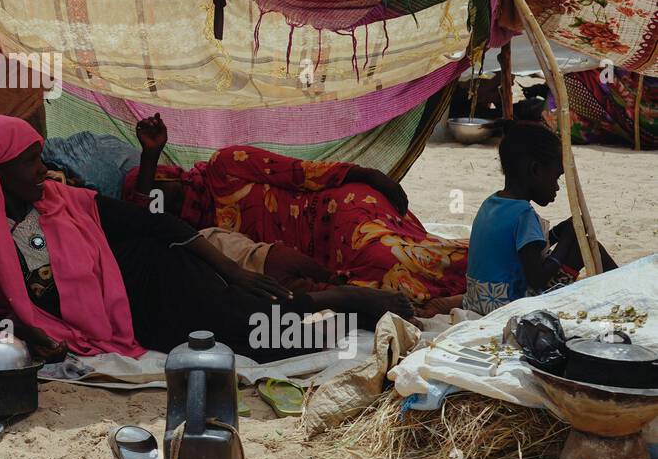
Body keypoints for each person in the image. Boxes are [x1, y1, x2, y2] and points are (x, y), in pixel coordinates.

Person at [0, 116, 412, 362]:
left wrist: (229, 269)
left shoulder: (61, 200)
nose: (40, 169)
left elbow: (154, 222)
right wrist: (31, 333)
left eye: (37, 157)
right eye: (27, 162)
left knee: (254, 334)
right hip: (135, 319)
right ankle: (343, 312)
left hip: (155, 275)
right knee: (243, 338)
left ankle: (346, 302)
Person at [124, 115, 468, 310]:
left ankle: (492, 267)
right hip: (320, 254)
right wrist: (149, 158)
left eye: (158, 186)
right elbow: (144, 223)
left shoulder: (225, 166)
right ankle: (477, 287)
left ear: (170, 175)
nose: (159, 197)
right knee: (378, 283)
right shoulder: (202, 243)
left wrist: (369, 175)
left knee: (388, 257)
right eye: (151, 199)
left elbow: (302, 172)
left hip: (336, 209)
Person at [461, 122, 616, 315]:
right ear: (535, 170)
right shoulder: (523, 214)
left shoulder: (491, 203)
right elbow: (537, 278)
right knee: (587, 249)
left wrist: (559, 233)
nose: (557, 187)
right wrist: (566, 241)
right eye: (556, 178)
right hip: (507, 306)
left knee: (574, 244)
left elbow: (525, 251)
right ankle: (626, 288)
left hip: (479, 300)